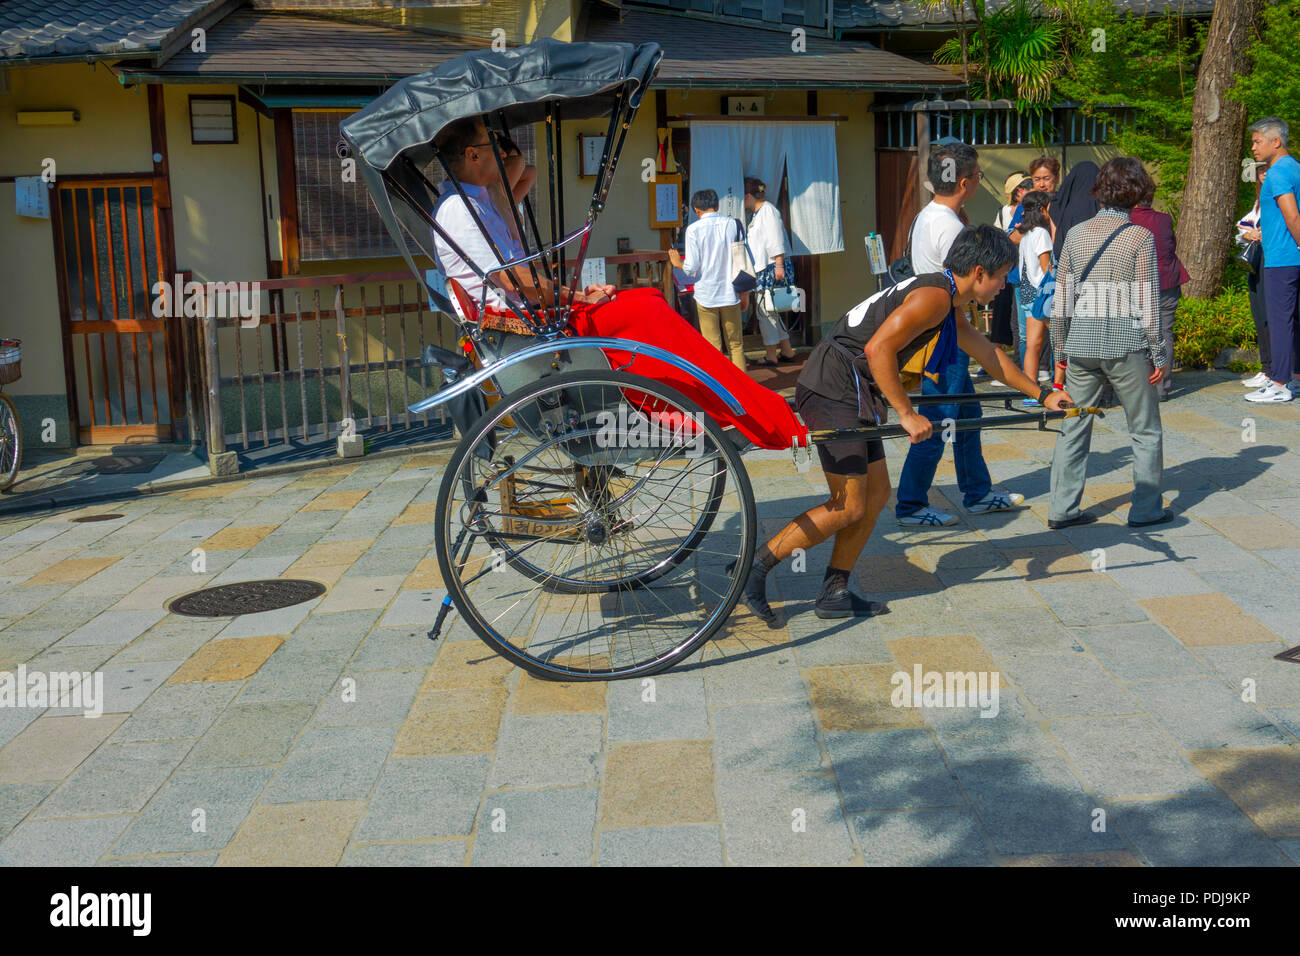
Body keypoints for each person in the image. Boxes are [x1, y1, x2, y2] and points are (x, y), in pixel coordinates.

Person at [742, 226, 1073, 621]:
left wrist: (1041, 394)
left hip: (853, 388)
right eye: (1003, 275)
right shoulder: (934, 297)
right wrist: (907, 412)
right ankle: (752, 570)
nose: (1005, 285)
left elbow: (989, 355)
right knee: (847, 505)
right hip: (834, 386)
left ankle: (834, 590)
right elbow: (877, 348)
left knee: (876, 494)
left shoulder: (947, 299)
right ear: (980, 272)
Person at [895, 142, 1025, 527]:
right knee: (937, 420)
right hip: (945, 333)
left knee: (967, 413)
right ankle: (911, 504)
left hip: (943, 327)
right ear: (966, 182)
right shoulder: (950, 226)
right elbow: (971, 280)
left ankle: (978, 491)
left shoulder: (927, 216)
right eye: (979, 177)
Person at [1048, 157, 1169, 529]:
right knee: (1144, 428)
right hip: (1126, 343)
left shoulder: (1076, 234)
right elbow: (1147, 300)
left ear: (1099, 191)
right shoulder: (1139, 237)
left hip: (1081, 344)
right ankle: (1146, 508)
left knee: (1073, 426)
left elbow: (1061, 298)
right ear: (1137, 192)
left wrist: (1060, 349)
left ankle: (1062, 508)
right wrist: (1159, 352)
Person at [431, 117, 614, 318]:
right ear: (473, 155)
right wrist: (581, 298)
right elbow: (513, 277)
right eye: (493, 143)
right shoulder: (458, 208)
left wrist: (579, 296)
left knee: (642, 299)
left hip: (532, 313)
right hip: (520, 321)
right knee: (645, 307)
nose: (501, 152)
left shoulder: (480, 201)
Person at [1245, 117, 1300, 403]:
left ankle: (1279, 383)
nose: (1253, 147)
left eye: (1257, 141)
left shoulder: (1278, 172)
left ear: (1275, 142)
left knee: (1279, 322)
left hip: (1281, 257)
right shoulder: (1296, 168)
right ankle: (1297, 378)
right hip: (1293, 257)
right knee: (1296, 320)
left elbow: (1291, 216)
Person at [668, 189, 746, 371]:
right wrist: (745, 292)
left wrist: (678, 263)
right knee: (736, 345)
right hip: (731, 291)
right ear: (717, 206)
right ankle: (744, 390)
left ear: (696, 210)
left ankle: (719, 392)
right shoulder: (733, 225)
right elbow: (742, 261)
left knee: (713, 347)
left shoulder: (693, 230)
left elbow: (692, 269)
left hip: (707, 294)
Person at [1130, 180, 1191, 401]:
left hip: (1139, 285)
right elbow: (1170, 246)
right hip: (1167, 281)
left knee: (1139, 334)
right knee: (1164, 333)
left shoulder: (1128, 220)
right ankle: (1162, 387)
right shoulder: (1164, 219)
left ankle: (1142, 384)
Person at [744, 176, 798, 367]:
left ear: (749, 196)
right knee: (771, 311)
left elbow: (775, 239)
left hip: (771, 267)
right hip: (770, 266)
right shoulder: (762, 212)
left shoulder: (767, 211)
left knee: (764, 312)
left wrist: (779, 264)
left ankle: (770, 355)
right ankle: (787, 350)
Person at [1015, 190, 1055, 404]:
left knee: (1032, 344)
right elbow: (1046, 266)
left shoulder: (1026, 234)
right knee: (1060, 339)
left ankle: (1030, 390)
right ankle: (1061, 384)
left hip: (1027, 293)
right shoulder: (1041, 232)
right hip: (1043, 294)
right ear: (1042, 209)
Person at [992, 173, 1032, 354]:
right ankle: (1002, 357)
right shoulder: (1004, 212)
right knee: (1007, 318)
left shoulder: (1032, 208)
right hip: (1008, 269)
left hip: (1027, 269)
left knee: (1027, 322)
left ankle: (1037, 366)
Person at [1238, 163, 1271, 387]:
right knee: (1260, 315)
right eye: (1260, 171)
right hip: (1257, 262)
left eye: (1267, 169)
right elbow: (1242, 225)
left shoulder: (1286, 197)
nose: (1264, 174)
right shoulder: (1258, 202)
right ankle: (1267, 367)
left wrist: (1263, 232)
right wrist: (1249, 234)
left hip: (1275, 262)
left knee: (1273, 318)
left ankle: (1277, 371)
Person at [486, 134, 537, 243]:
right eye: (509, 163)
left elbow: (531, 172)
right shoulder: (487, 193)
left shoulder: (503, 199)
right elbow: (519, 163)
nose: (515, 174)